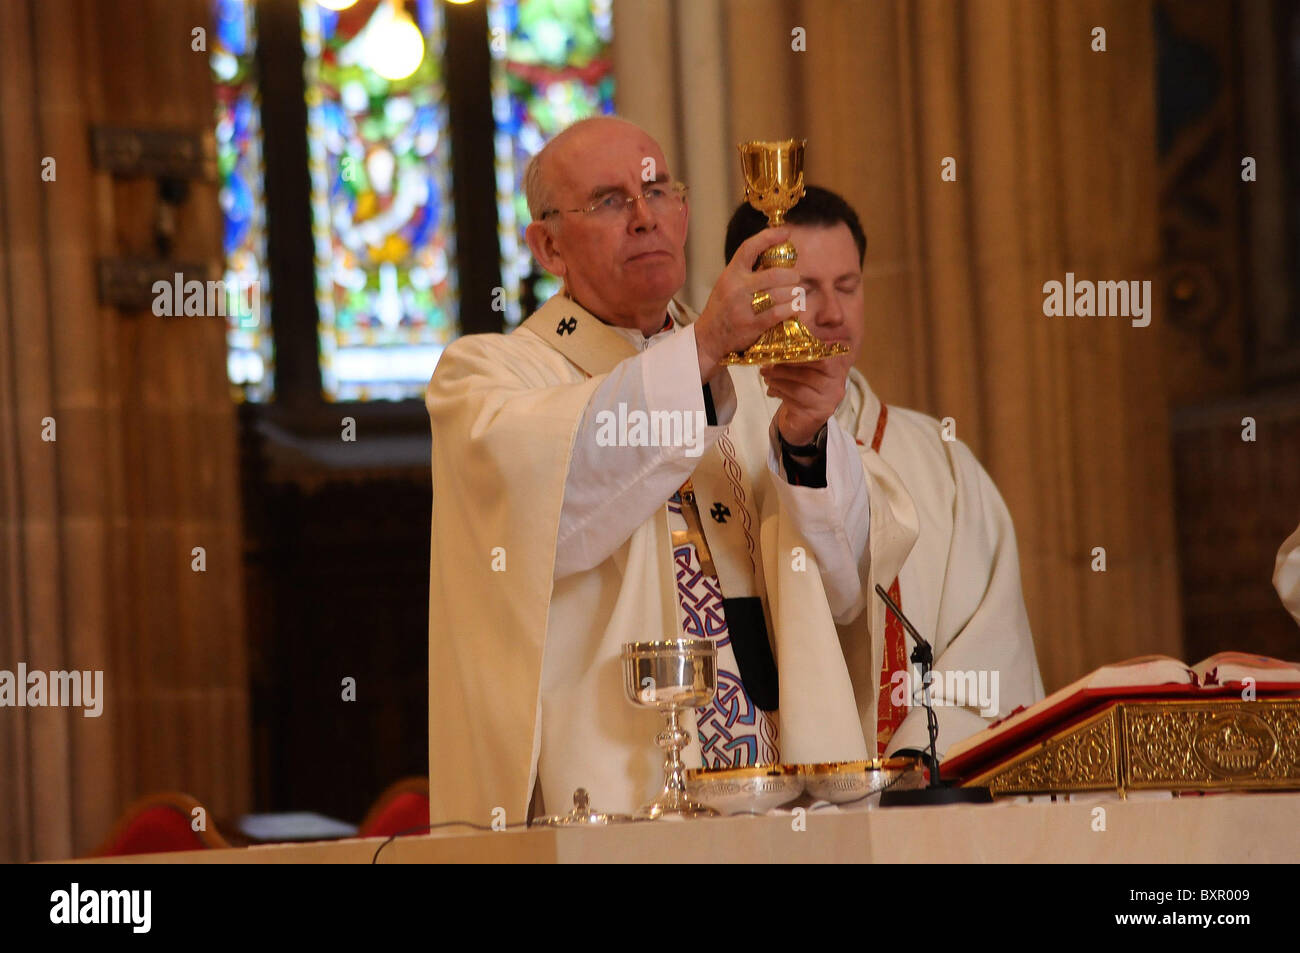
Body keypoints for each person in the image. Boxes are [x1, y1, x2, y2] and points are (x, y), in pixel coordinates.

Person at [424, 116, 1043, 824]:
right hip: (612, 806)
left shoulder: (752, 381)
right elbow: (551, 513)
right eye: (608, 200)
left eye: (658, 191)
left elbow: (849, 589)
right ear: (547, 245)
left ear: (685, 212)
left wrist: (808, 446)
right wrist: (707, 341)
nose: (644, 217)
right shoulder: (490, 376)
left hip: (780, 803)